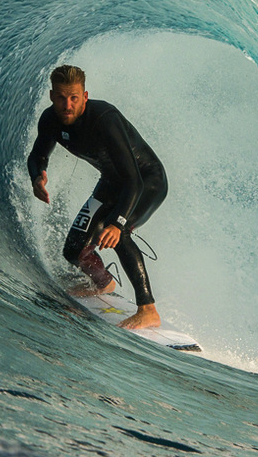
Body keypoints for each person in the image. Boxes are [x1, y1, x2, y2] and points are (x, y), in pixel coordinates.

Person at [28, 65, 168, 329]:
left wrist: (117, 223)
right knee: (73, 251)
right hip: (111, 182)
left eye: (74, 98)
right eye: (60, 97)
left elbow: (134, 180)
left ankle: (148, 309)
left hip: (146, 182)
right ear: (51, 96)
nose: (67, 104)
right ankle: (103, 283)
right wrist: (38, 176)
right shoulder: (50, 120)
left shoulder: (105, 119)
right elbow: (38, 155)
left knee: (117, 234)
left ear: (85, 96)